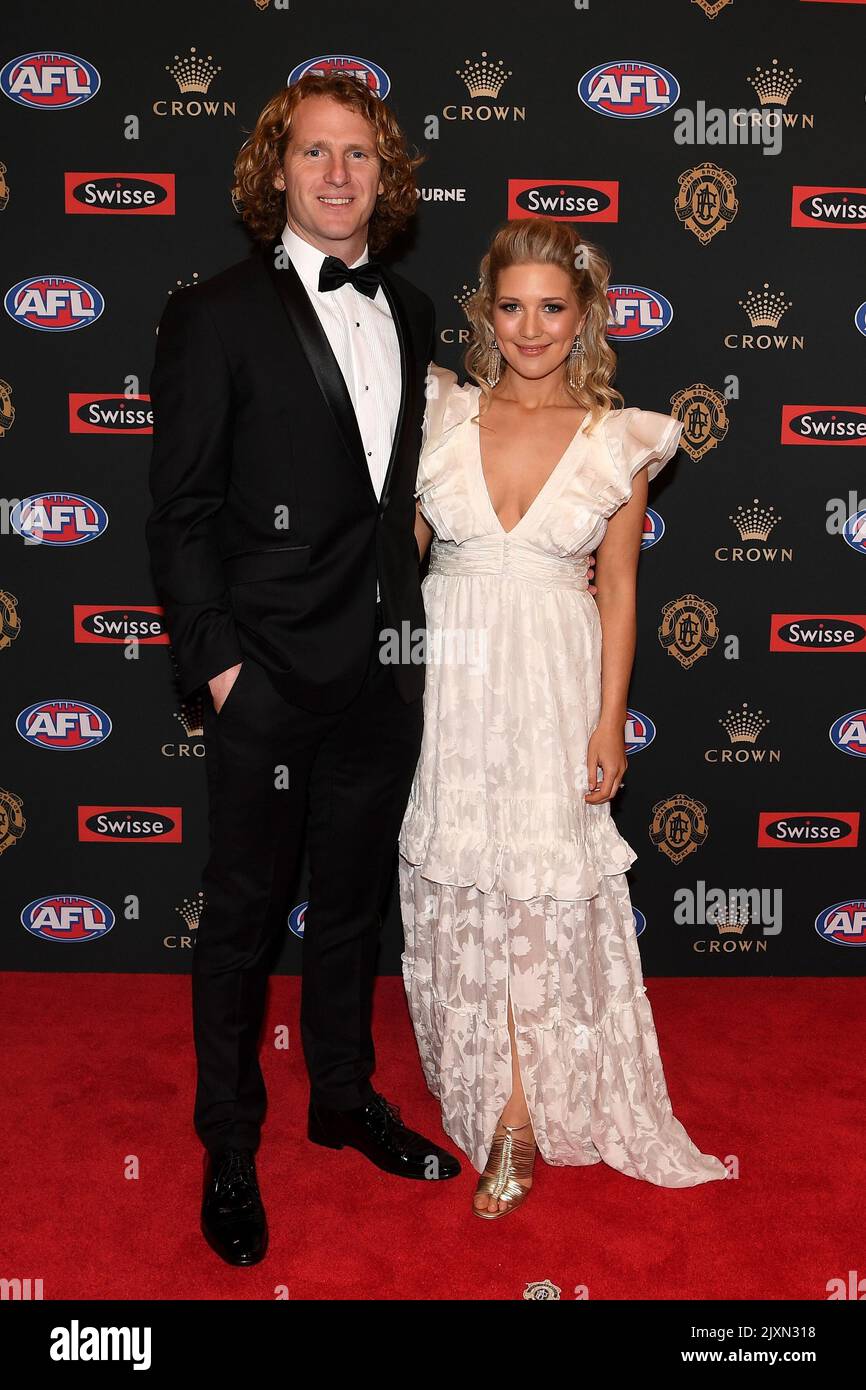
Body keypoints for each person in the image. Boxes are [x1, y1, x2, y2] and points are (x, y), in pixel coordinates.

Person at [145, 72, 461, 1268]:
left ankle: (341, 1097)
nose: (338, 175)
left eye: (360, 155)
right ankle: (229, 1140)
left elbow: (396, 493)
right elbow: (177, 511)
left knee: (349, 908)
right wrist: (217, 665)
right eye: (316, 153)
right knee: (238, 920)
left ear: (387, 177)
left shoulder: (417, 309)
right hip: (266, 670)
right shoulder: (214, 311)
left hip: (383, 662)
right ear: (275, 170)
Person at [399, 216, 728, 1219]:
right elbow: (393, 560)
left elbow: (619, 592)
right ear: (483, 313)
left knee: (537, 889)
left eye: (551, 306)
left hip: (552, 680)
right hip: (447, 680)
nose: (530, 327)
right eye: (510, 307)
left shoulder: (617, 440)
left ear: (581, 314)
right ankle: (491, 1095)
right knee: (465, 878)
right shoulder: (440, 417)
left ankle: (524, 1118)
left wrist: (608, 719)